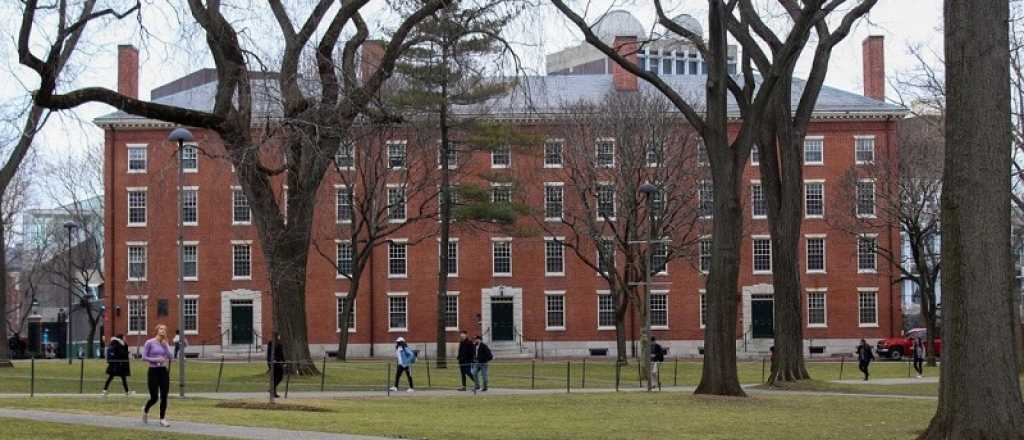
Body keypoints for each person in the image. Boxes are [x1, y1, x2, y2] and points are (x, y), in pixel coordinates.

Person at [142, 324, 173, 427]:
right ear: (157, 330)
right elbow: (144, 357)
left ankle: (162, 419)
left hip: (163, 371)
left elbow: (170, 356)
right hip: (153, 371)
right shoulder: (149, 342)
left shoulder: (165, 343)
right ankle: (146, 410)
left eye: (164, 329)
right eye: (161, 328)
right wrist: (156, 360)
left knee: (164, 396)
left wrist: (166, 346)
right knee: (154, 397)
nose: (163, 330)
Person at [266, 333, 285, 398]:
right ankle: (273, 392)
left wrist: (284, 361)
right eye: (278, 336)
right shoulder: (271, 344)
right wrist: (271, 361)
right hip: (274, 363)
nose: (279, 337)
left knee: (278, 377)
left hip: (278, 363)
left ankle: (272, 390)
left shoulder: (279, 344)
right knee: (276, 378)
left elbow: (281, 354)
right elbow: (270, 353)